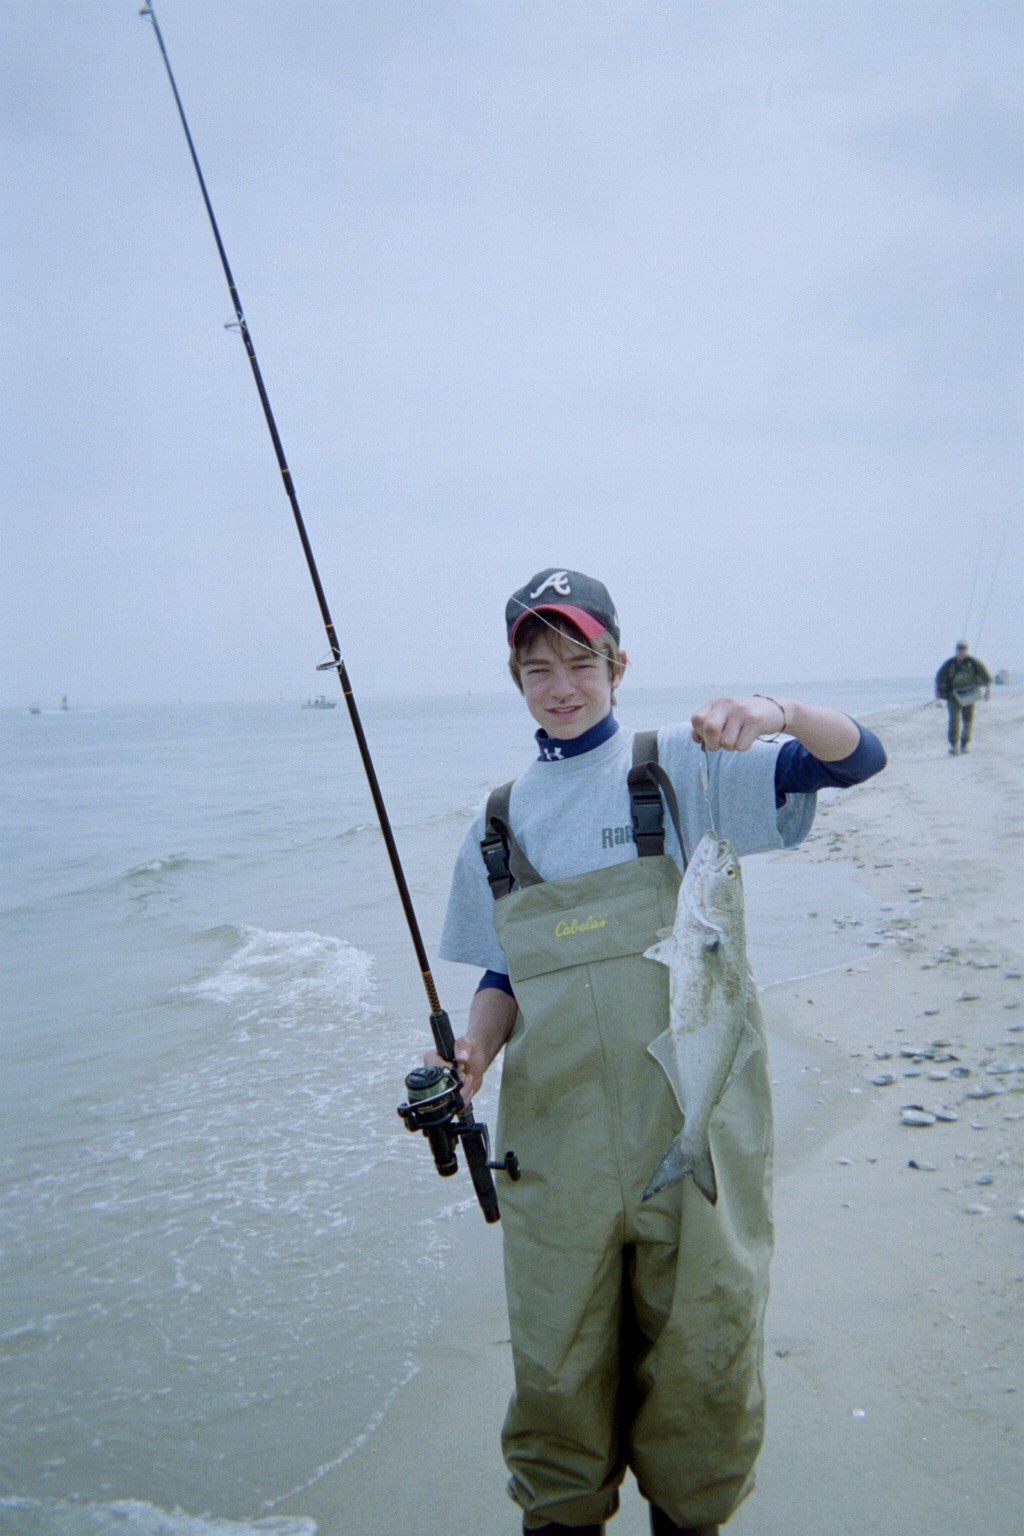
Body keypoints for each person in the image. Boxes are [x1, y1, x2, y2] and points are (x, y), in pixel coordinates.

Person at [434, 568, 886, 1536]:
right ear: (515, 678)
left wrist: (774, 709)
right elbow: (504, 977)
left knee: (701, 1379)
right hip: (553, 1159)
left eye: (580, 661)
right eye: (539, 666)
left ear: (616, 664)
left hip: (694, 1150)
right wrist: (472, 1051)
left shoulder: (682, 766)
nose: (562, 685)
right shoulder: (497, 820)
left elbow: (855, 762)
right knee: (556, 1385)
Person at [934, 641, 992, 755]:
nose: (961, 650)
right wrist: (937, 691)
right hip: (953, 695)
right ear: (956, 649)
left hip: (969, 694)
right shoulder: (950, 663)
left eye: (964, 648)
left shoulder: (973, 662)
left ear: (967, 649)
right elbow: (939, 677)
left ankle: (965, 744)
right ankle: (954, 745)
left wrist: (988, 692)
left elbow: (987, 677)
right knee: (953, 721)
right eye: (959, 648)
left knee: (968, 720)